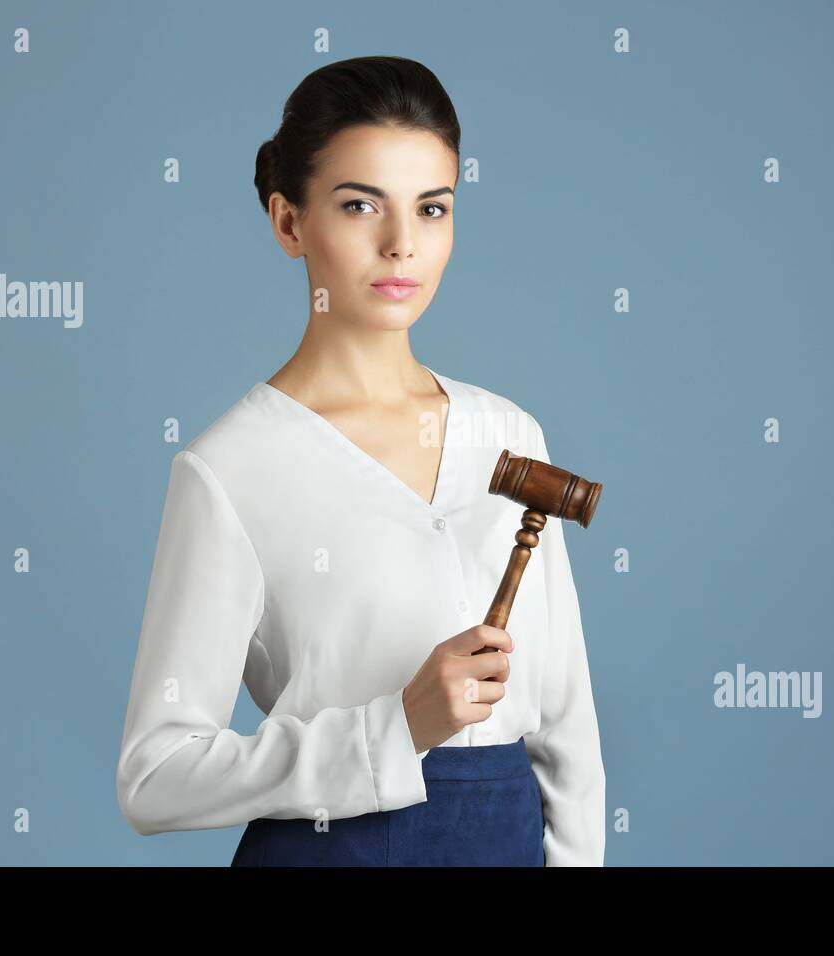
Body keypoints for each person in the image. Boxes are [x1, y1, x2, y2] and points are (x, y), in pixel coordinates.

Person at [114, 56, 605, 866]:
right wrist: (394, 729)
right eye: (359, 205)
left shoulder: (508, 435)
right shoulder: (230, 469)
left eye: (432, 208)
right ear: (289, 223)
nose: (402, 244)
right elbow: (155, 777)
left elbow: (566, 729)